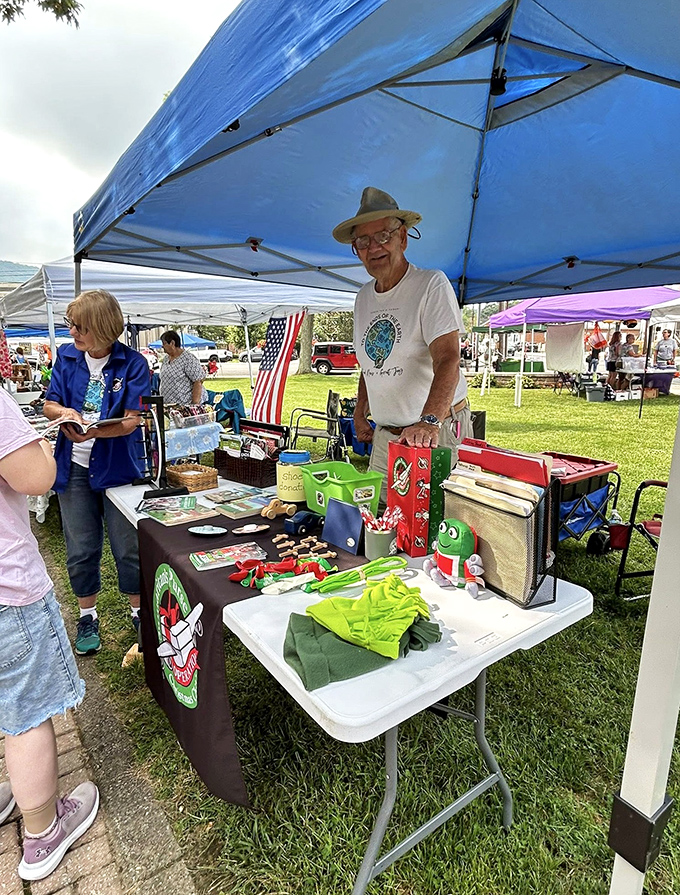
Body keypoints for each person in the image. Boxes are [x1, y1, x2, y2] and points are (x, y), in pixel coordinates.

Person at [0, 387, 99, 881]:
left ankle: (12, 789)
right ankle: (41, 831)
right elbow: (37, 478)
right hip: (6, 594)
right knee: (27, 709)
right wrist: (40, 442)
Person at [333, 187, 471, 504]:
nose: (373, 248)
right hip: (387, 435)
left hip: (436, 430)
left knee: (436, 522)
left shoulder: (430, 285)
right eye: (363, 242)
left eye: (383, 236)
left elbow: (449, 359)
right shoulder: (364, 296)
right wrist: (360, 410)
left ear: (403, 238)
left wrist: (430, 421)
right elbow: (370, 363)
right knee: (382, 520)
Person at [43, 290, 149, 656]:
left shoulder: (133, 363)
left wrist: (95, 430)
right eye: (71, 325)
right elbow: (50, 402)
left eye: (80, 327)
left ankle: (139, 614)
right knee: (81, 547)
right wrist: (64, 415)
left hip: (117, 468)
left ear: (103, 328)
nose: (72, 332)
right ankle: (87, 616)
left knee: (128, 548)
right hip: (72, 466)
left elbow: (133, 420)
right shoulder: (67, 357)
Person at [158, 330, 208, 406]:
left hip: (185, 405)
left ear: (172, 343)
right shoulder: (166, 359)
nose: (162, 346)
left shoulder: (188, 359)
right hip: (169, 405)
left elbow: (198, 381)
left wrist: (194, 405)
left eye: (164, 343)